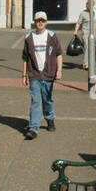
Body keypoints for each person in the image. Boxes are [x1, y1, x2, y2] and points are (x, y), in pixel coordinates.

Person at [21, 11, 62, 140]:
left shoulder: (52, 36)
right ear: (34, 22)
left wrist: (59, 70)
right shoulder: (29, 38)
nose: (40, 23)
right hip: (34, 74)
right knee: (36, 101)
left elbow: (59, 54)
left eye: (42, 21)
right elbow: (25, 58)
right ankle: (33, 128)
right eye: (38, 20)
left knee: (47, 99)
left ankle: (50, 118)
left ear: (46, 22)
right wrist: (24, 75)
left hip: (49, 73)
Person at [73, 1, 93, 70]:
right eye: (89, 5)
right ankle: (85, 64)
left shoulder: (93, 13)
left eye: (92, 5)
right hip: (85, 33)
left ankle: (91, 63)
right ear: (87, 6)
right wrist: (76, 31)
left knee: (92, 49)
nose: (91, 7)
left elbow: (94, 23)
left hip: (93, 33)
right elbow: (78, 23)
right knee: (87, 47)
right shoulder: (83, 13)